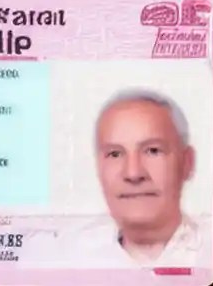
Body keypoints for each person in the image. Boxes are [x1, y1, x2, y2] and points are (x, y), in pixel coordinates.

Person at [82, 89, 205, 266]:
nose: (133, 173)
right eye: (115, 154)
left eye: (153, 151)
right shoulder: (70, 261)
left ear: (187, 162)